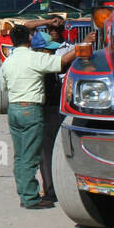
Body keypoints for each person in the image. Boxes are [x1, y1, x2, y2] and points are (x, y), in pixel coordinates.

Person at [3, 24, 75, 209]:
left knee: (20, 155)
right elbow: (61, 62)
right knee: (31, 157)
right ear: (28, 39)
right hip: (30, 110)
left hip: (14, 110)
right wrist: (80, 50)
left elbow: (3, 87)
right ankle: (31, 198)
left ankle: (24, 193)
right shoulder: (34, 58)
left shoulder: (8, 61)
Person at [36, 28, 70, 202]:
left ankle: (52, 188)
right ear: (41, 50)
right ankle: (50, 190)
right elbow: (63, 62)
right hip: (46, 110)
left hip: (51, 110)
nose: (53, 52)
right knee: (47, 151)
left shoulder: (40, 60)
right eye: (50, 49)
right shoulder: (42, 63)